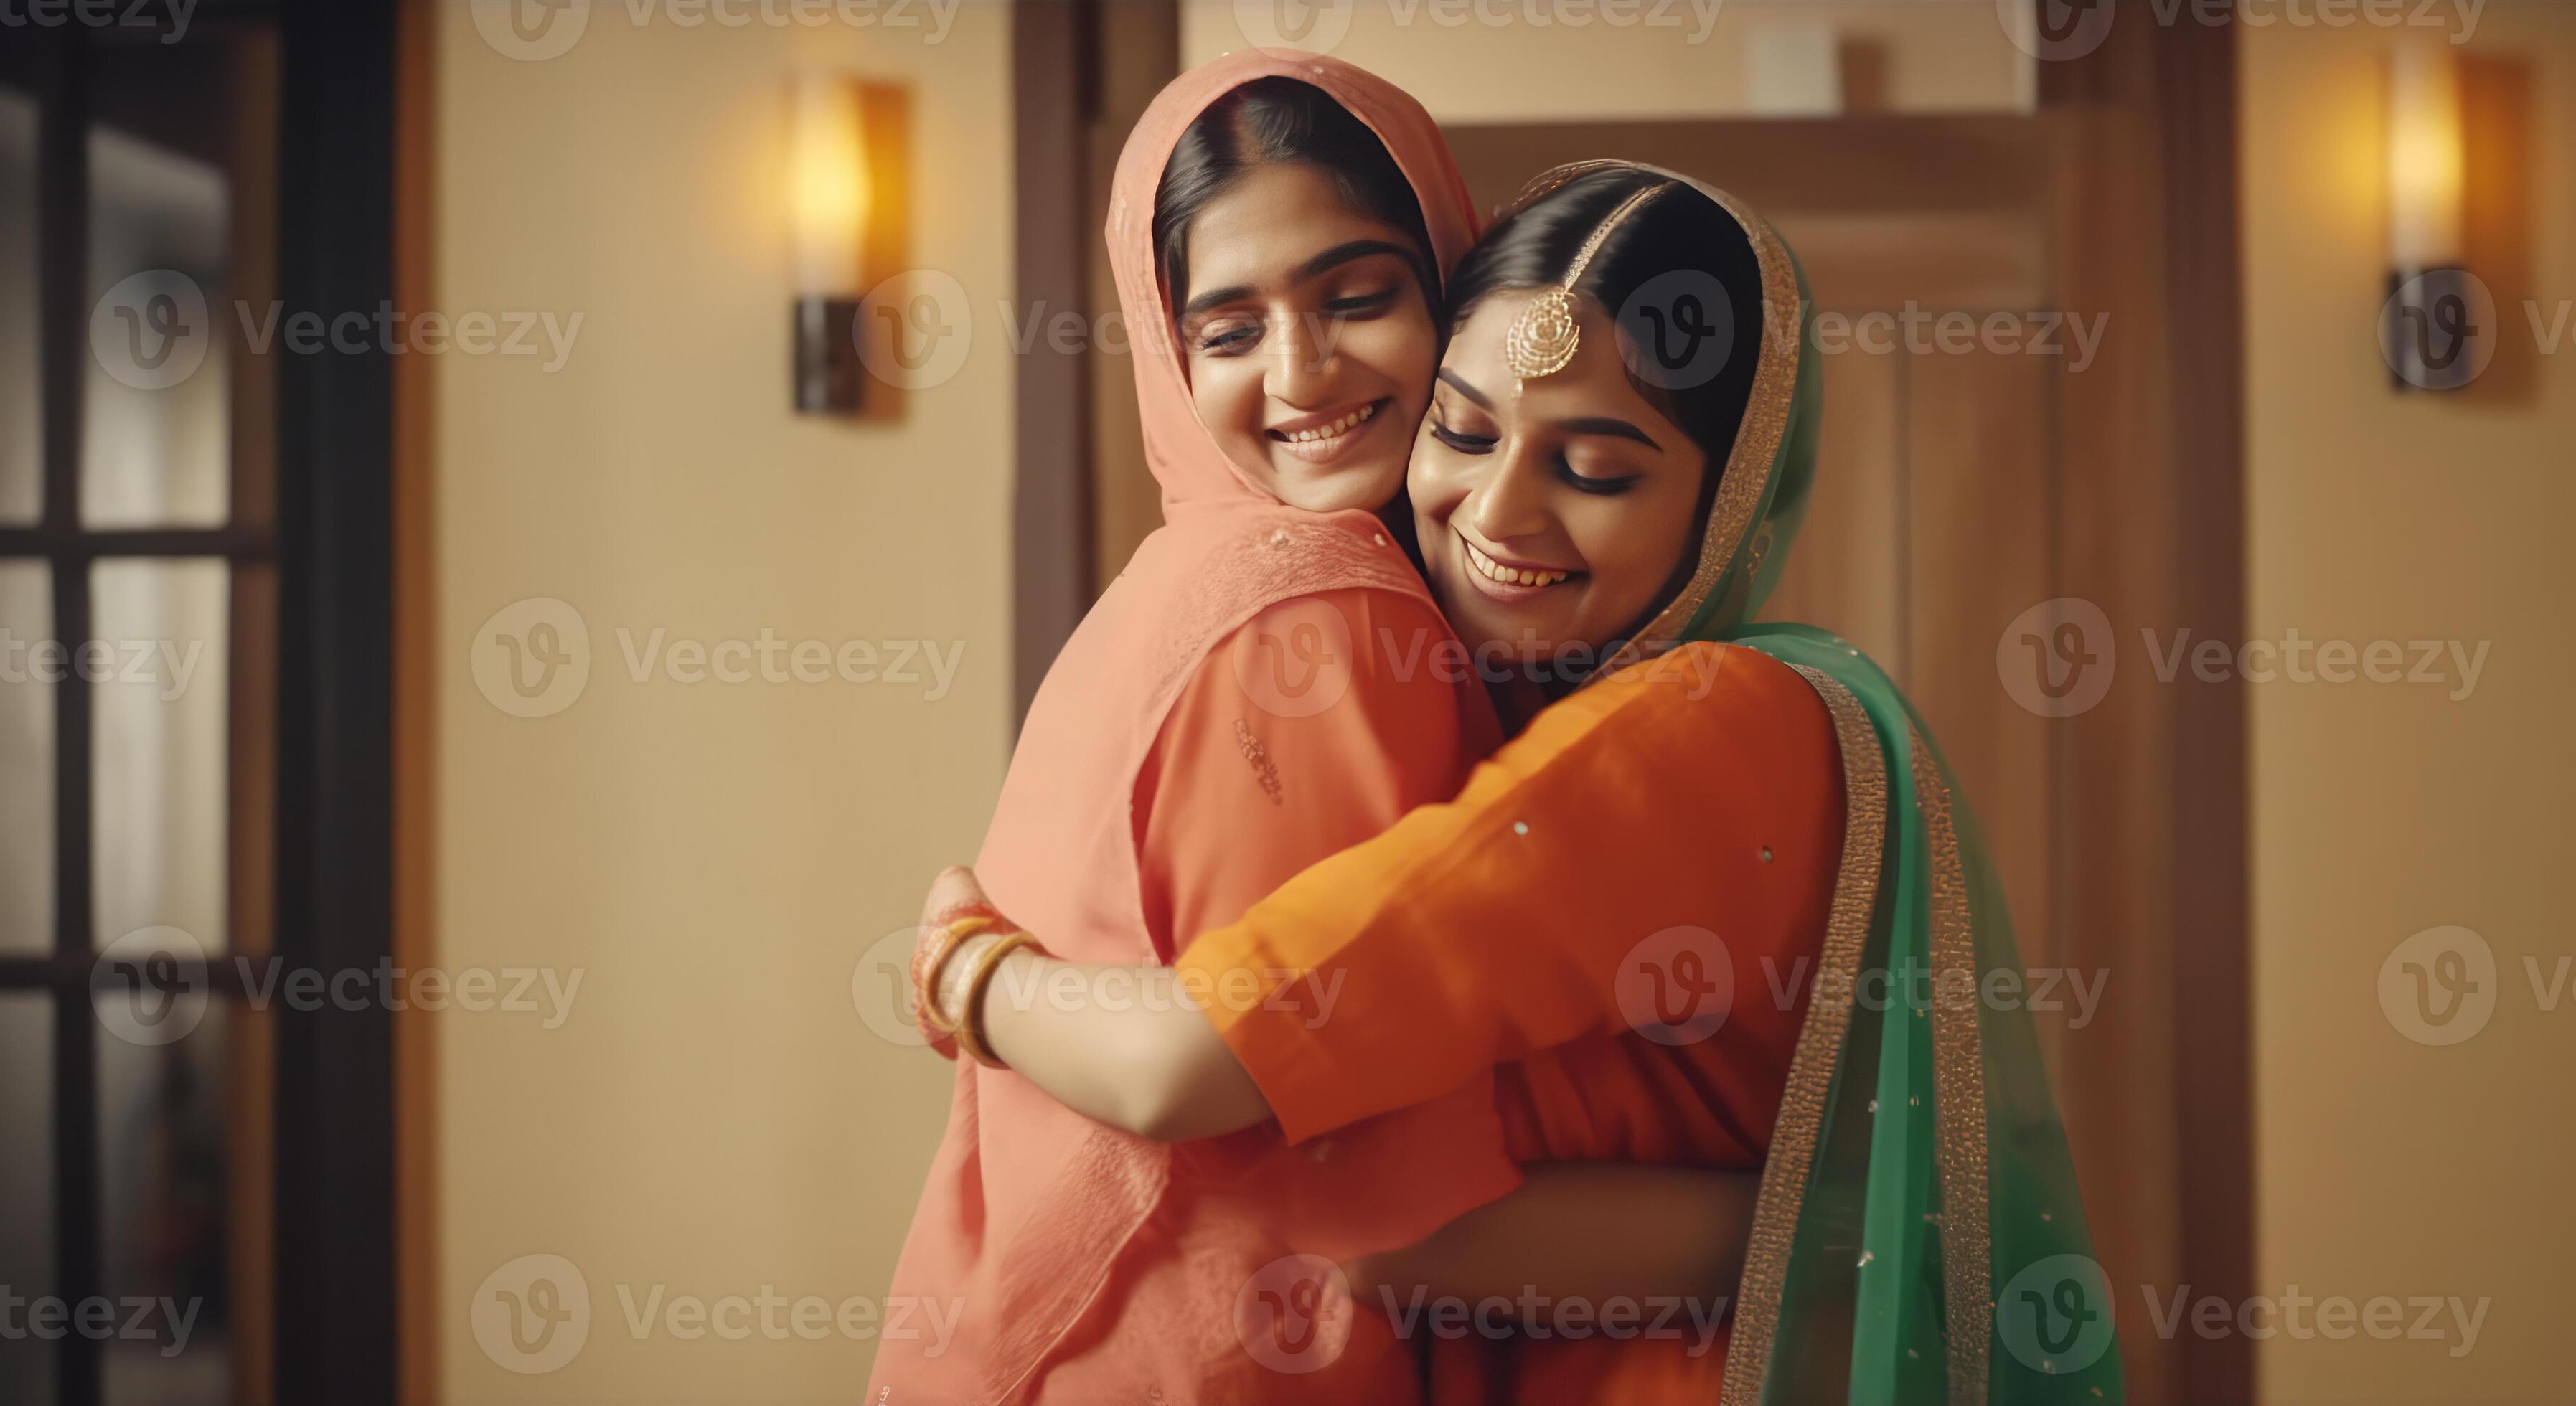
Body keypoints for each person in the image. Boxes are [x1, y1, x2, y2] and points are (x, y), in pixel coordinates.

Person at [920, 161, 2125, 1405]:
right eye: (1463, 429)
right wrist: (1817, 1224)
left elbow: (1216, 1091)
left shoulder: (1701, 727)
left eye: (1597, 471)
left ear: (1730, 502)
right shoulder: (1655, 717)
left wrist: (965, 964)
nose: (1498, 511)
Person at [877, 50, 1566, 1404]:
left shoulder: (1177, 575)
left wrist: (968, 981)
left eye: (1358, 297)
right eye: (1230, 329)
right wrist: (1800, 1219)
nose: (1303, 372)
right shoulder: (1330, 606)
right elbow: (1371, 1190)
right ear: (1165, 345)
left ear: (1455, 287)